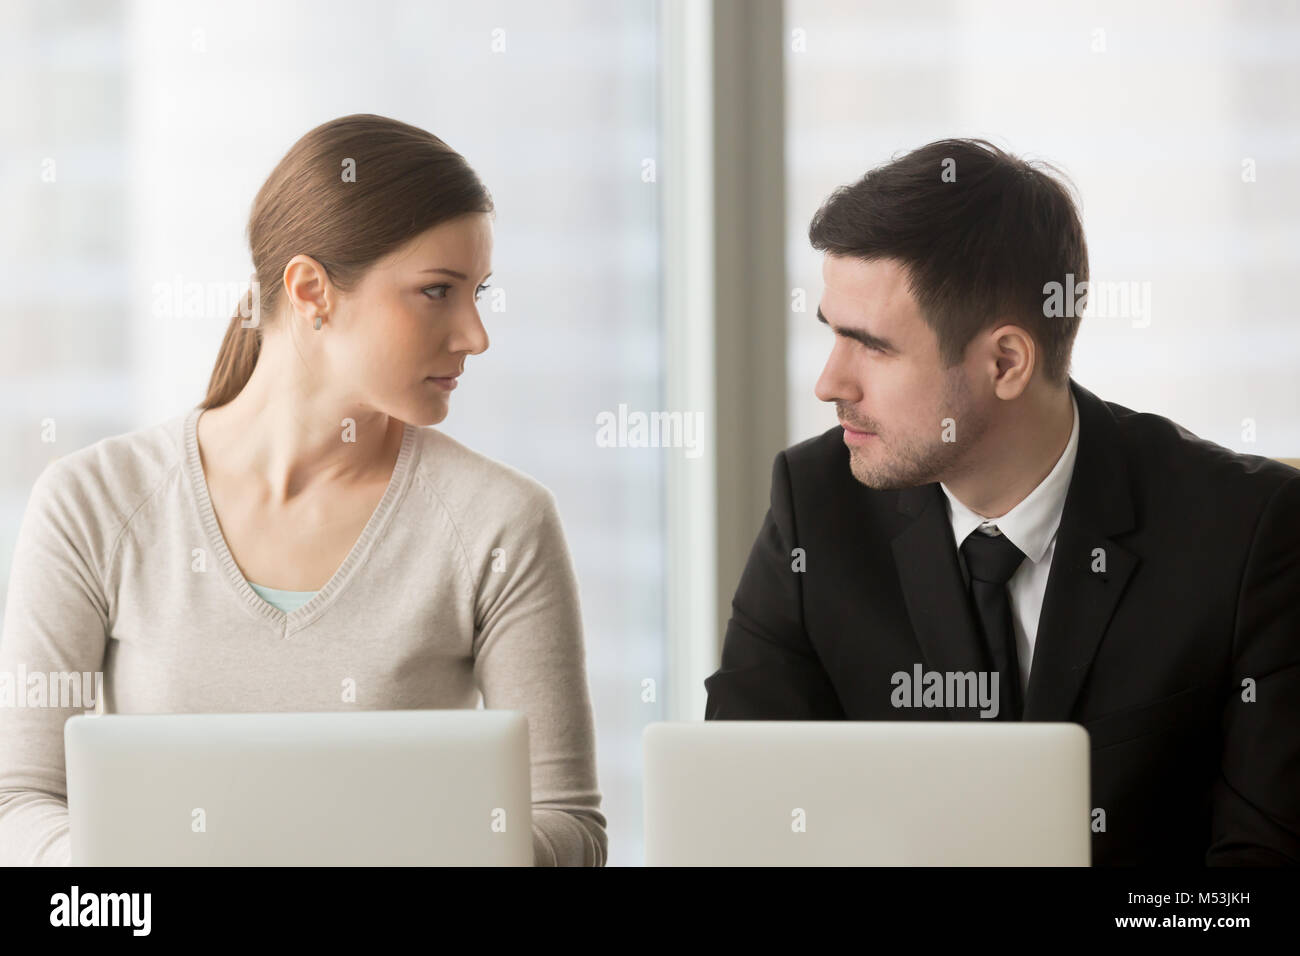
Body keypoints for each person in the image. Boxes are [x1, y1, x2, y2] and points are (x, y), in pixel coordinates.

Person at [0, 113, 607, 866]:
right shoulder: (91, 504)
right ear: (311, 290)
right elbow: (18, 801)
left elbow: (569, 825)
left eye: (478, 293)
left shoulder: (502, 523)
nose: (475, 335)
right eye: (437, 292)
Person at [705, 138, 1300, 865]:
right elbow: (743, 821)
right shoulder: (815, 505)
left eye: (873, 346)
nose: (829, 383)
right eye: (832, 334)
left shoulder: (1250, 533)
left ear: (1006, 362)